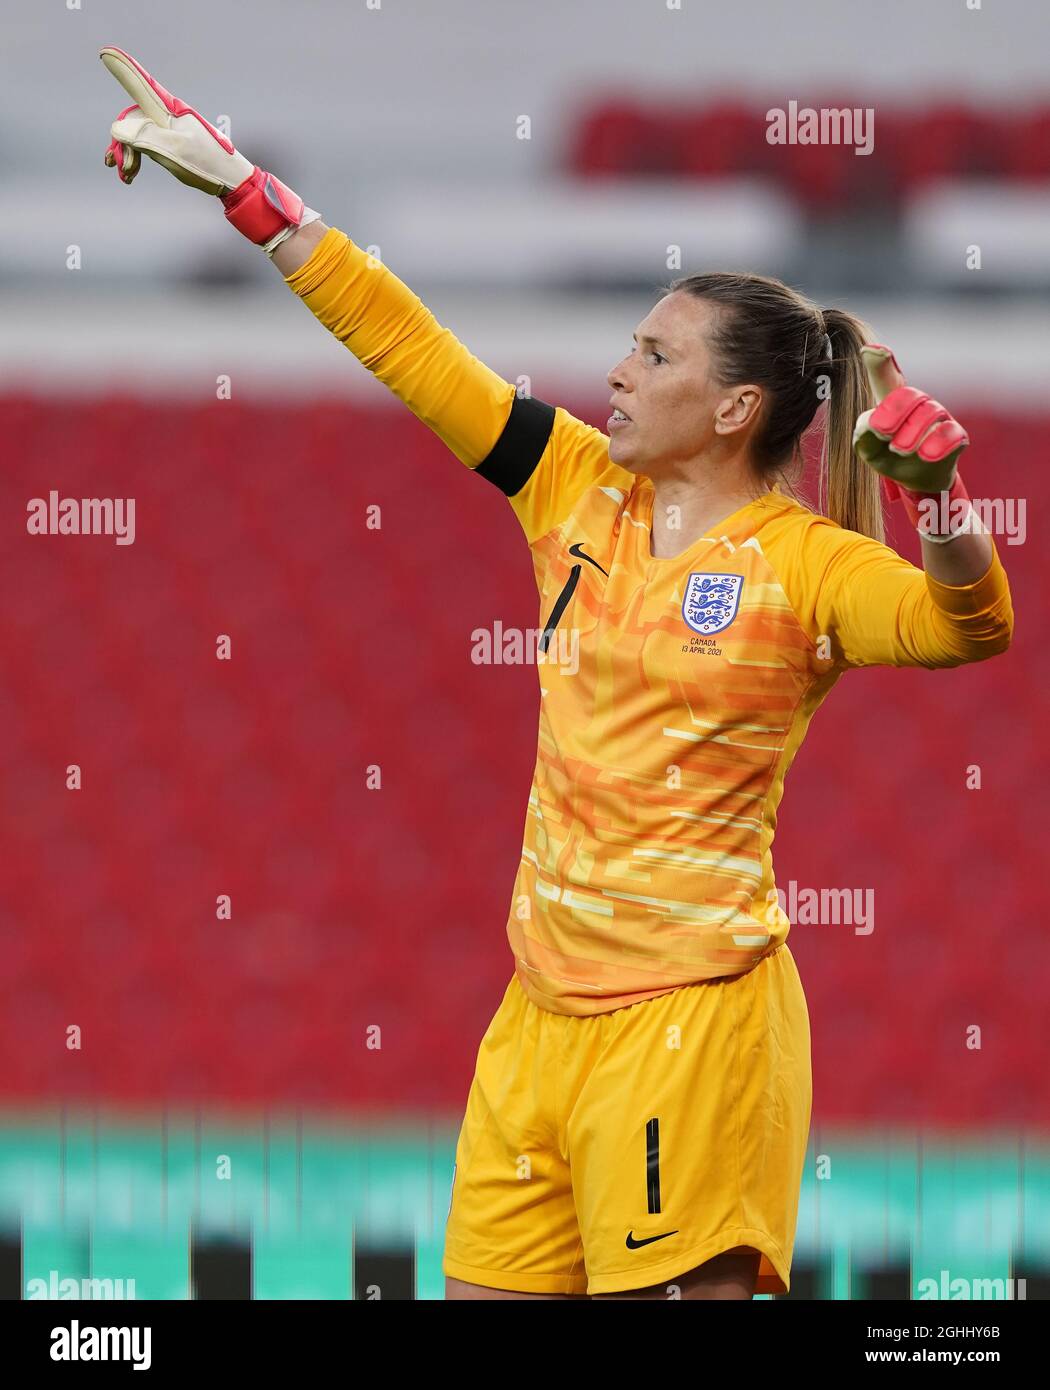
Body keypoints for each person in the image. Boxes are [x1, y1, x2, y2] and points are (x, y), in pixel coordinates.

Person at [101, 48, 1014, 1301]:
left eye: (653, 354)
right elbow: (412, 350)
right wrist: (254, 198)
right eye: (627, 346)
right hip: (536, 1019)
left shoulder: (805, 568)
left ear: (739, 406)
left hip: (691, 1029)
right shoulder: (570, 484)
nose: (617, 371)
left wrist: (946, 507)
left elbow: (966, 626)